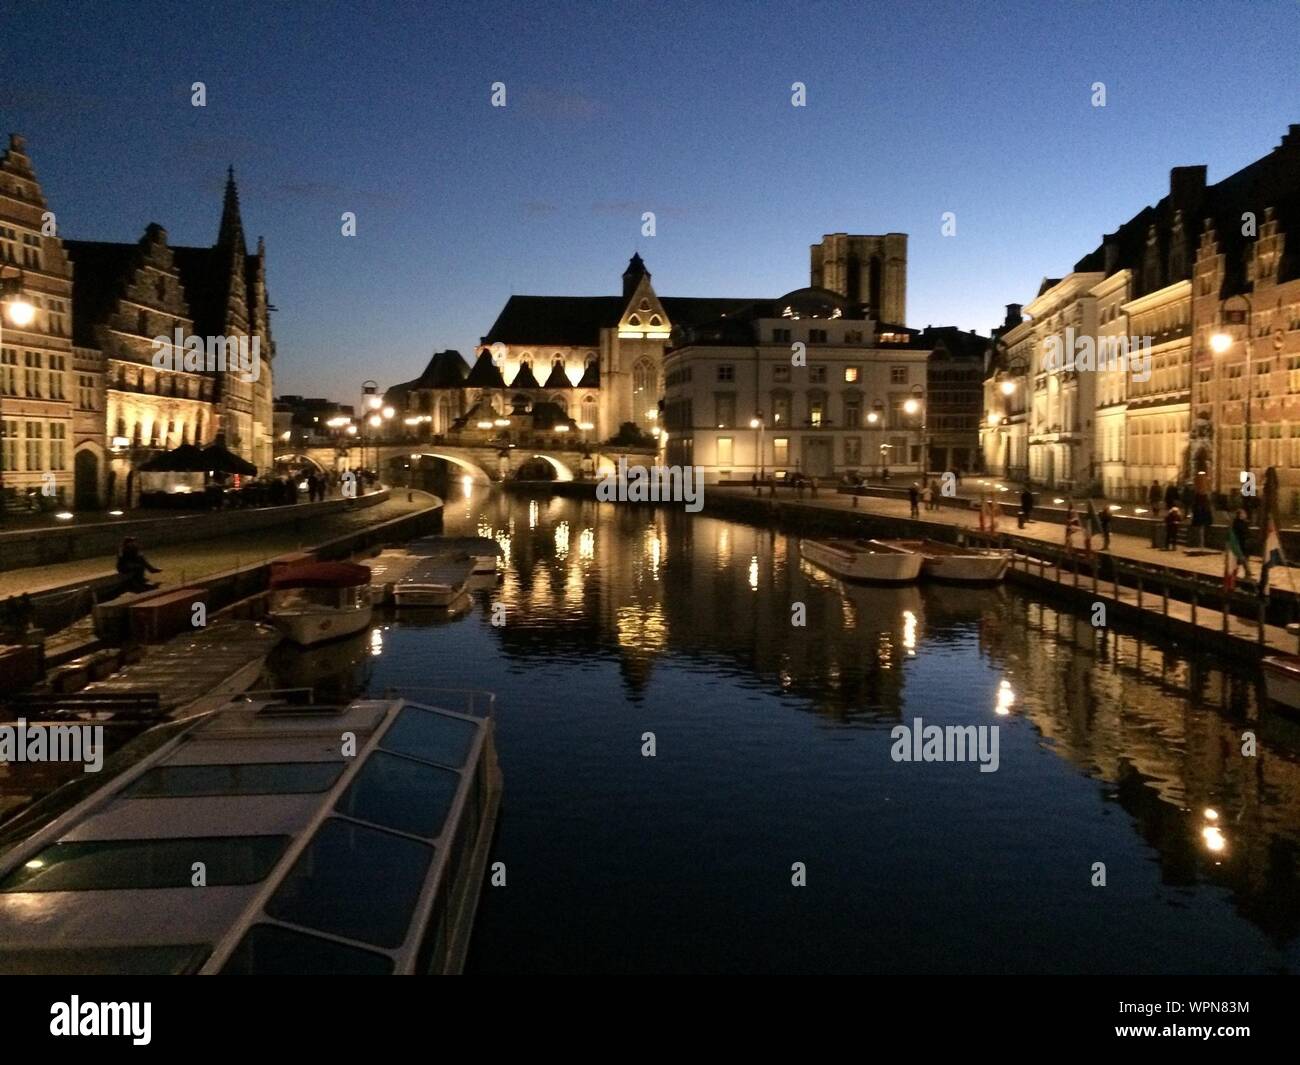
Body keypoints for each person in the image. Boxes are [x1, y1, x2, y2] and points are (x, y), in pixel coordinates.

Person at [1231, 509, 1253, 580]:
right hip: (1241, 543)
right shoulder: (1237, 523)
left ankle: (1245, 572)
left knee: (1243, 559)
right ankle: (1247, 572)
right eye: (1244, 513)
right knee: (1242, 558)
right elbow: (1241, 533)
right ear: (1240, 515)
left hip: (1245, 543)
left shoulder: (1243, 522)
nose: (1245, 515)